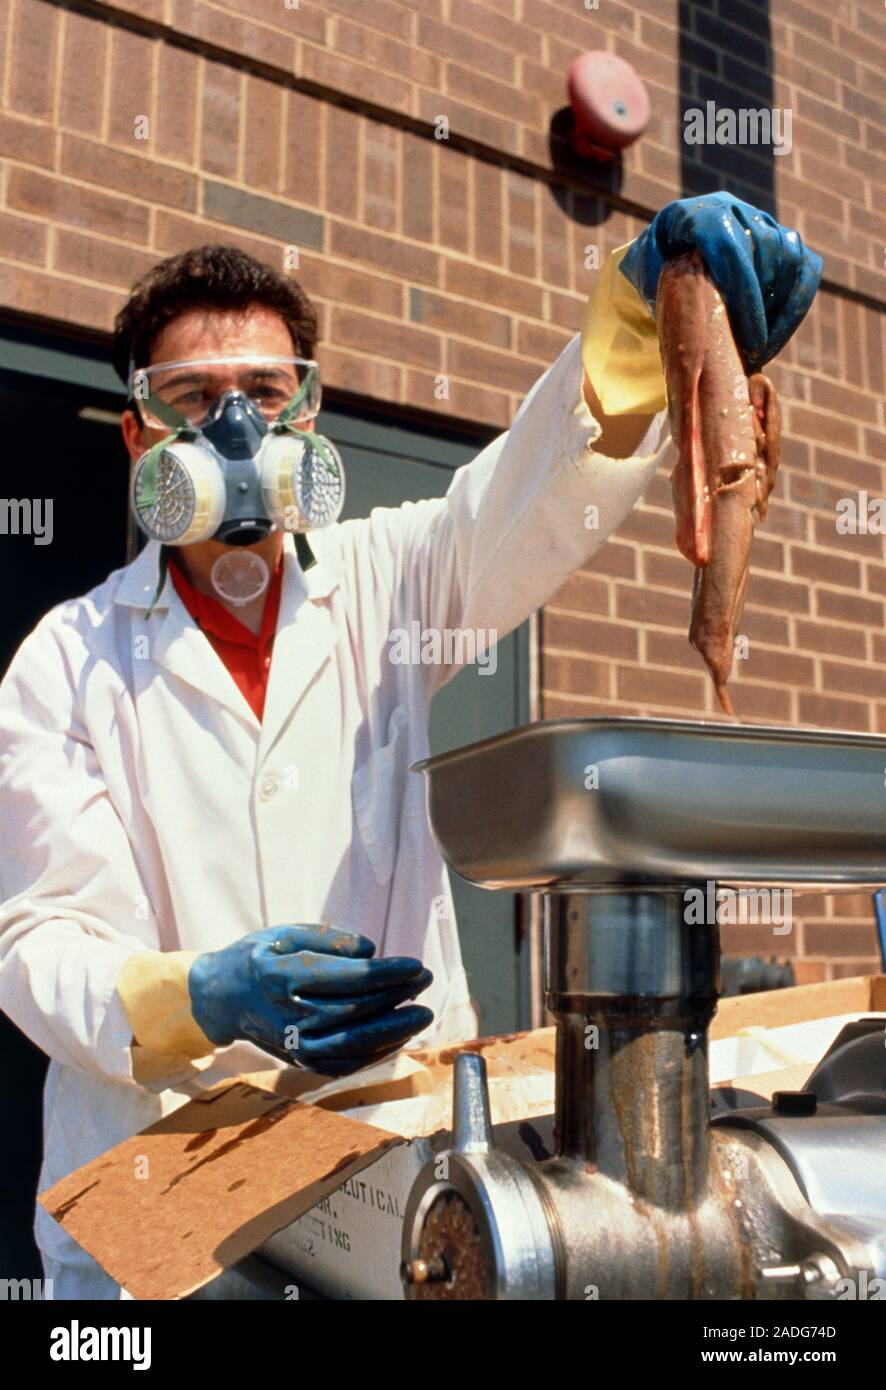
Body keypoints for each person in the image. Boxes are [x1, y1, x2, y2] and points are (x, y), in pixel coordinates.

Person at [0, 193, 821, 1299]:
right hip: (154, 1207)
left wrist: (635, 311)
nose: (234, 431)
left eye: (265, 394)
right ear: (141, 432)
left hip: (387, 1173)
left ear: (308, 415)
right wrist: (196, 996)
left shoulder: (390, 579)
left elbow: (527, 498)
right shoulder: (66, 657)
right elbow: (37, 940)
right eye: (192, 398)